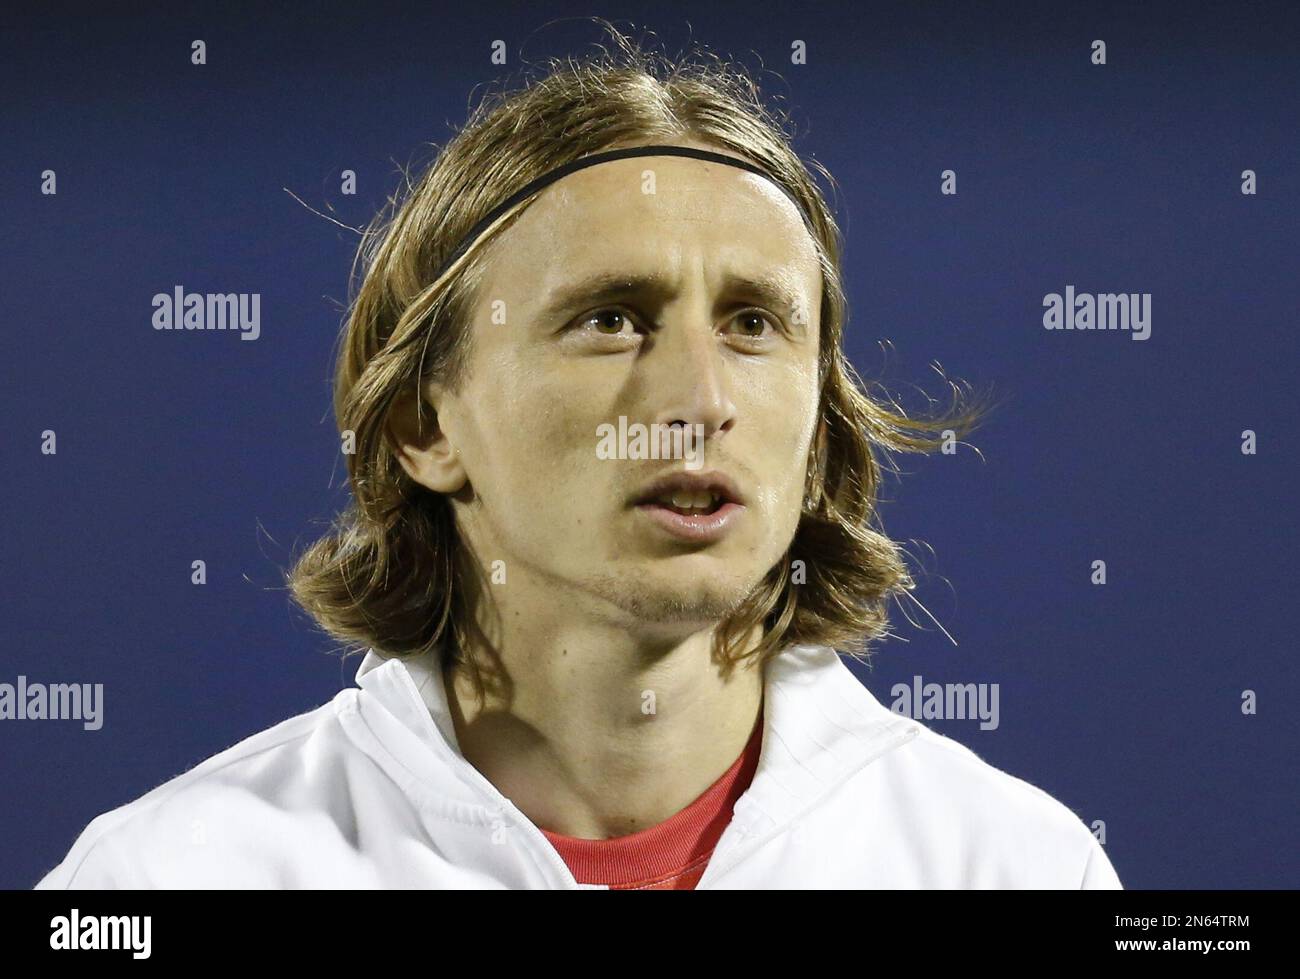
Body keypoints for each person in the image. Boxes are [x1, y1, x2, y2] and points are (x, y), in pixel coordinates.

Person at [37, 29, 1121, 890]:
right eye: (611, 319)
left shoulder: (1015, 867)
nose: (698, 401)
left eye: (752, 324)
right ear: (425, 424)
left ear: (819, 422)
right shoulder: (166, 879)